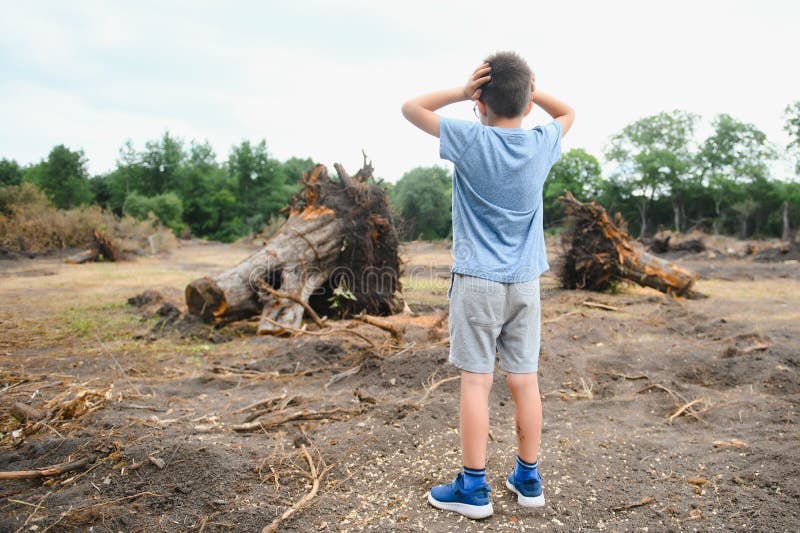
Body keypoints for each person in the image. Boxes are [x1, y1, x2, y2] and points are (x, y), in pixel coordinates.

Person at [400, 51, 575, 519]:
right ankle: (528, 478)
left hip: (477, 281)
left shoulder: (470, 138)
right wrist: (531, 90)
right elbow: (568, 113)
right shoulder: (540, 141)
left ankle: (474, 489)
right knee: (524, 380)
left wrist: (462, 91)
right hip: (525, 285)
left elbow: (411, 108)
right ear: (528, 104)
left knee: (476, 383)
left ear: (479, 101)